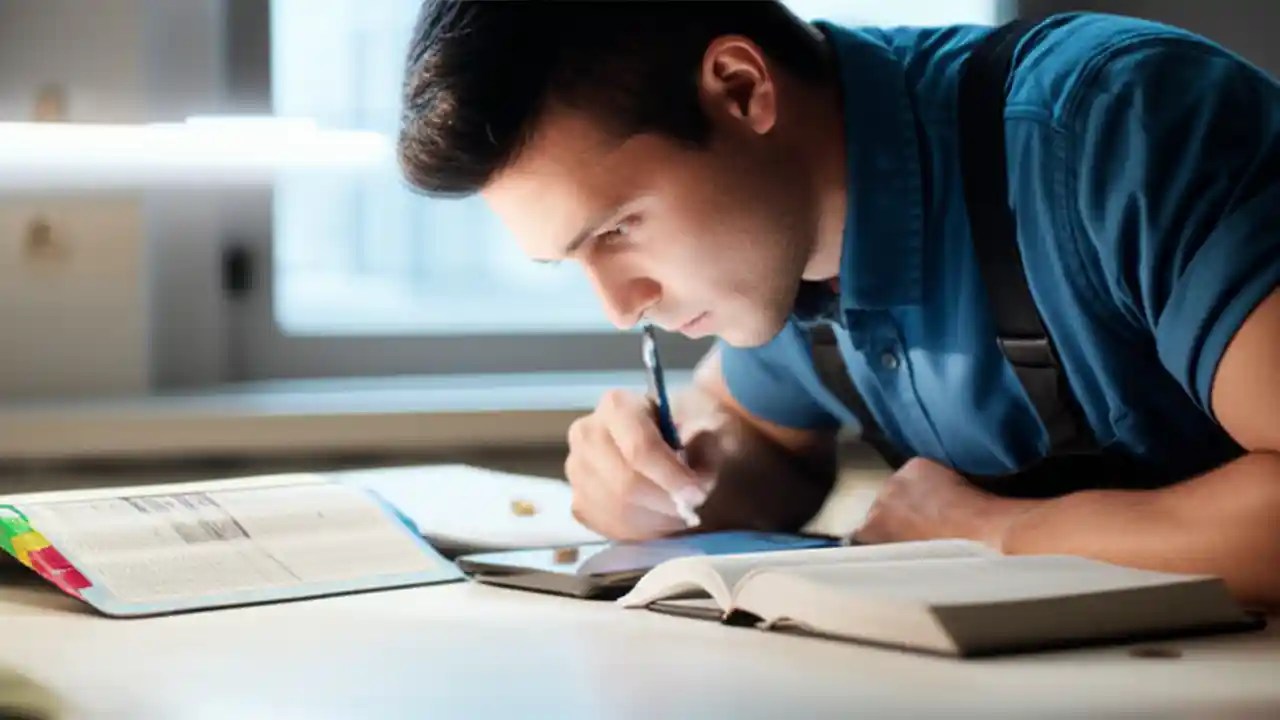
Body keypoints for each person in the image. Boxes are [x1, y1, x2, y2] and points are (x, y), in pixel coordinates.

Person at [397, 1, 1280, 610]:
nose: (622, 307)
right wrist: (678, 482)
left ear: (742, 88)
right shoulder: (780, 247)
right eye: (570, 262)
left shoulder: (1112, 130)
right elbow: (770, 447)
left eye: (621, 228)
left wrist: (994, 538)